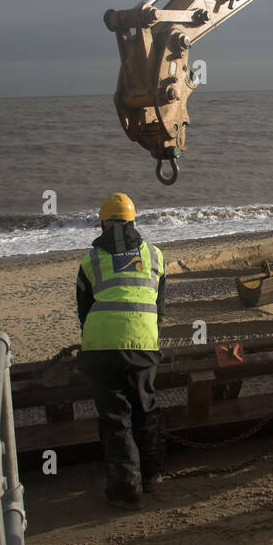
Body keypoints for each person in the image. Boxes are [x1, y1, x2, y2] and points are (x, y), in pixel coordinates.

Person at [76, 192, 167, 510]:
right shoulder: (155, 256)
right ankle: (151, 477)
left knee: (116, 418)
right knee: (146, 409)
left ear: (104, 223)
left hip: (101, 347)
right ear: (133, 222)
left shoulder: (90, 259)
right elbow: (159, 307)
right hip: (143, 344)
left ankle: (126, 490)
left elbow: (83, 310)